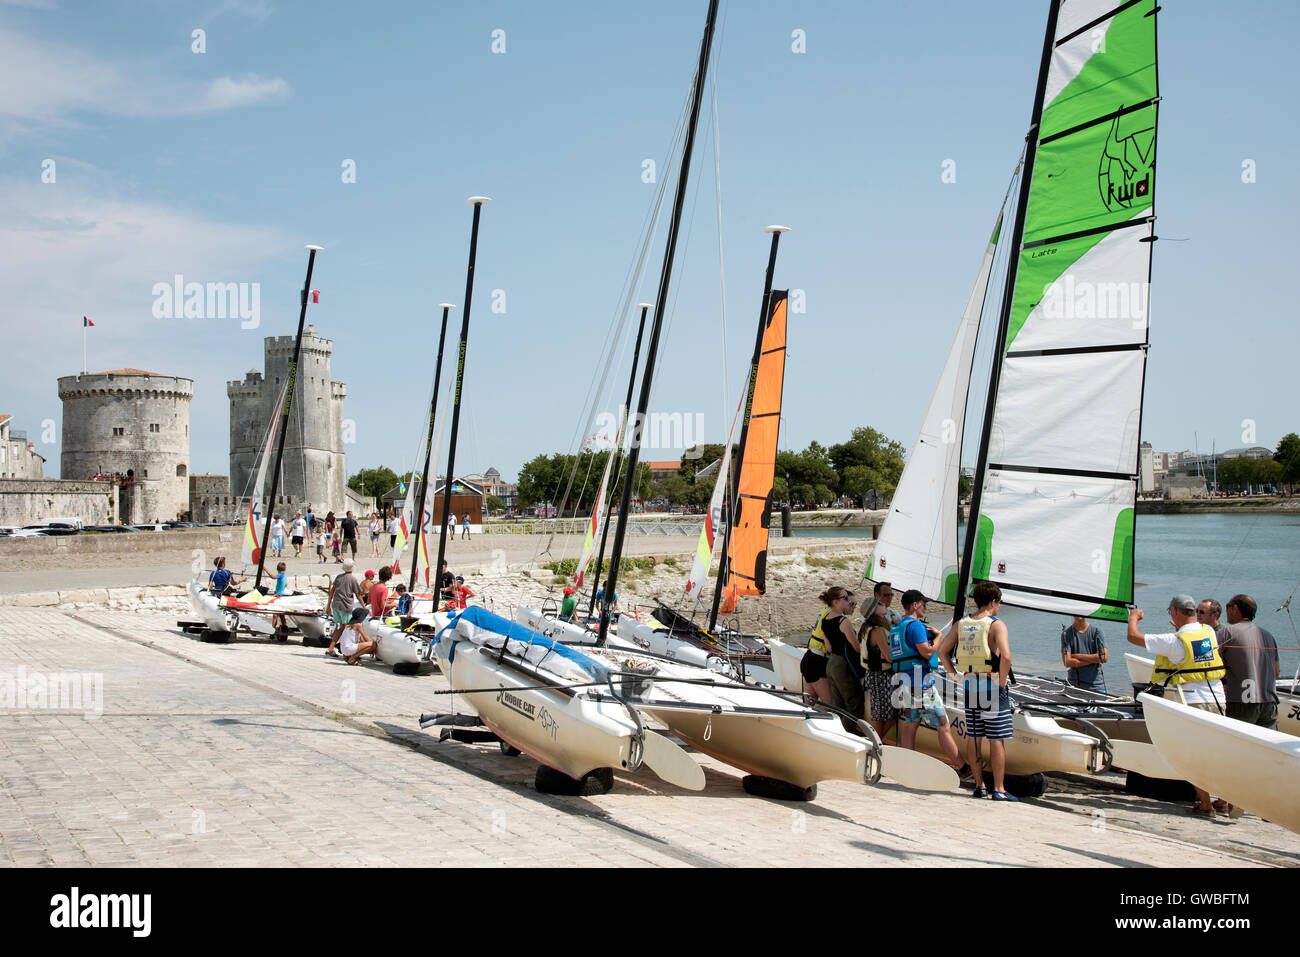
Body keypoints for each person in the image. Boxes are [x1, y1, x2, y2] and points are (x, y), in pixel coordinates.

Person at [1127, 594, 1227, 816]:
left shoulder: (1174, 641)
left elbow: (1133, 637)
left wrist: (1134, 617)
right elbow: (1193, 644)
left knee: (1193, 754)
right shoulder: (1208, 632)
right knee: (1216, 752)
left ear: (1174, 611)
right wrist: (1180, 627)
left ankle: (1205, 804)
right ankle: (1224, 799)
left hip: (1192, 701)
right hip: (1218, 699)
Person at [940, 581, 1015, 800]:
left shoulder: (962, 623)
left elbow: (942, 653)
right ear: (993, 601)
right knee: (996, 739)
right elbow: (1007, 657)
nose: (999, 606)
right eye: (999, 602)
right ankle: (999, 790)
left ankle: (979, 786)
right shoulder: (995, 624)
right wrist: (1001, 683)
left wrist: (955, 677)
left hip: (970, 685)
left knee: (974, 737)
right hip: (992, 685)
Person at [889, 589, 967, 775]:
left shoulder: (898, 627)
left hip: (906, 683)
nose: (926, 608)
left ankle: (907, 766)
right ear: (915, 605)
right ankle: (962, 767)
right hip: (921, 685)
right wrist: (939, 637)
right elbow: (926, 652)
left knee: (911, 724)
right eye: (924, 604)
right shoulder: (915, 626)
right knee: (943, 726)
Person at [1220, 593, 1280, 729]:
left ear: (1235, 608)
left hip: (1241, 701)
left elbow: (1211, 663)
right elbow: (1276, 672)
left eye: (1227, 607)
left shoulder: (1226, 632)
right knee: (1266, 747)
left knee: (1236, 745)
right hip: (1269, 701)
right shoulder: (1268, 635)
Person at [818, 586, 865, 732]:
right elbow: (856, 648)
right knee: (855, 707)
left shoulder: (825, 619)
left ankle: (835, 734)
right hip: (844, 665)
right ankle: (845, 736)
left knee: (838, 707)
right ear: (836, 602)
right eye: (845, 598)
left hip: (831, 663)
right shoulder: (843, 621)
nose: (847, 601)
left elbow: (829, 648)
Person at [859, 581, 898, 739]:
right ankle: (876, 742)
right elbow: (889, 656)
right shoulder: (876, 631)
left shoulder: (882, 625)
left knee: (885, 713)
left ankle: (877, 741)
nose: (885, 605)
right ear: (875, 610)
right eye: (881, 604)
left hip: (879, 675)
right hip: (879, 676)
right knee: (882, 715)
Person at [325, 560, 364, 657]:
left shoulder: (339, 577)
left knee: (341, 627)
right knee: (348, 628)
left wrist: (328, 605)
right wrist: (364, 606)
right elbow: (358, 595)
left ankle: (331, 648)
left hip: (336, 605)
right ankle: (347, 651)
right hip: (345, 606)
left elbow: (332, 591)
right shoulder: (353, 579)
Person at [1061, 615, 1109, 691]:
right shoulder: (1066, 634)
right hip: (1074, 685)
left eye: (1081, 614)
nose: (1079, 617)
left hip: (1097, 685)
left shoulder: (1097, 631)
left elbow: (1103, 658)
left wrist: (1077, 656)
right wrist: (1093, 660)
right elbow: (1067, 662)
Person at [272, 561, 290, 639]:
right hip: (283, 596)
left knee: (275, 614)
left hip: (278, 596)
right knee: (282, 615)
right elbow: (286, 585)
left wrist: (265, 569)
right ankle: (285, 629)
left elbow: (273, 577)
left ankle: (272, 630)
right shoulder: (285, 576)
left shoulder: (281, 575)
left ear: (277, 569)